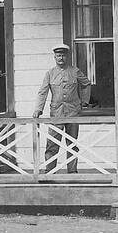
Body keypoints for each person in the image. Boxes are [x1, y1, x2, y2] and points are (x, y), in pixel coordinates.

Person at [34, 44, 93, 174]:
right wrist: (38, 109)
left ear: (68, 56)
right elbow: (42, 92)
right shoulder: (50, 73)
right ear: (54, 57)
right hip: (57, 114)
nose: (61, 58)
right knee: (52, 144)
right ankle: (50, 171)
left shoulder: (75, 71)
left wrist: (84, 101)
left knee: (72, 144)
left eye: (63, 55)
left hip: (73, 113)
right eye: (58, 56)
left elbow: (86, 84)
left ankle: (72, 171)